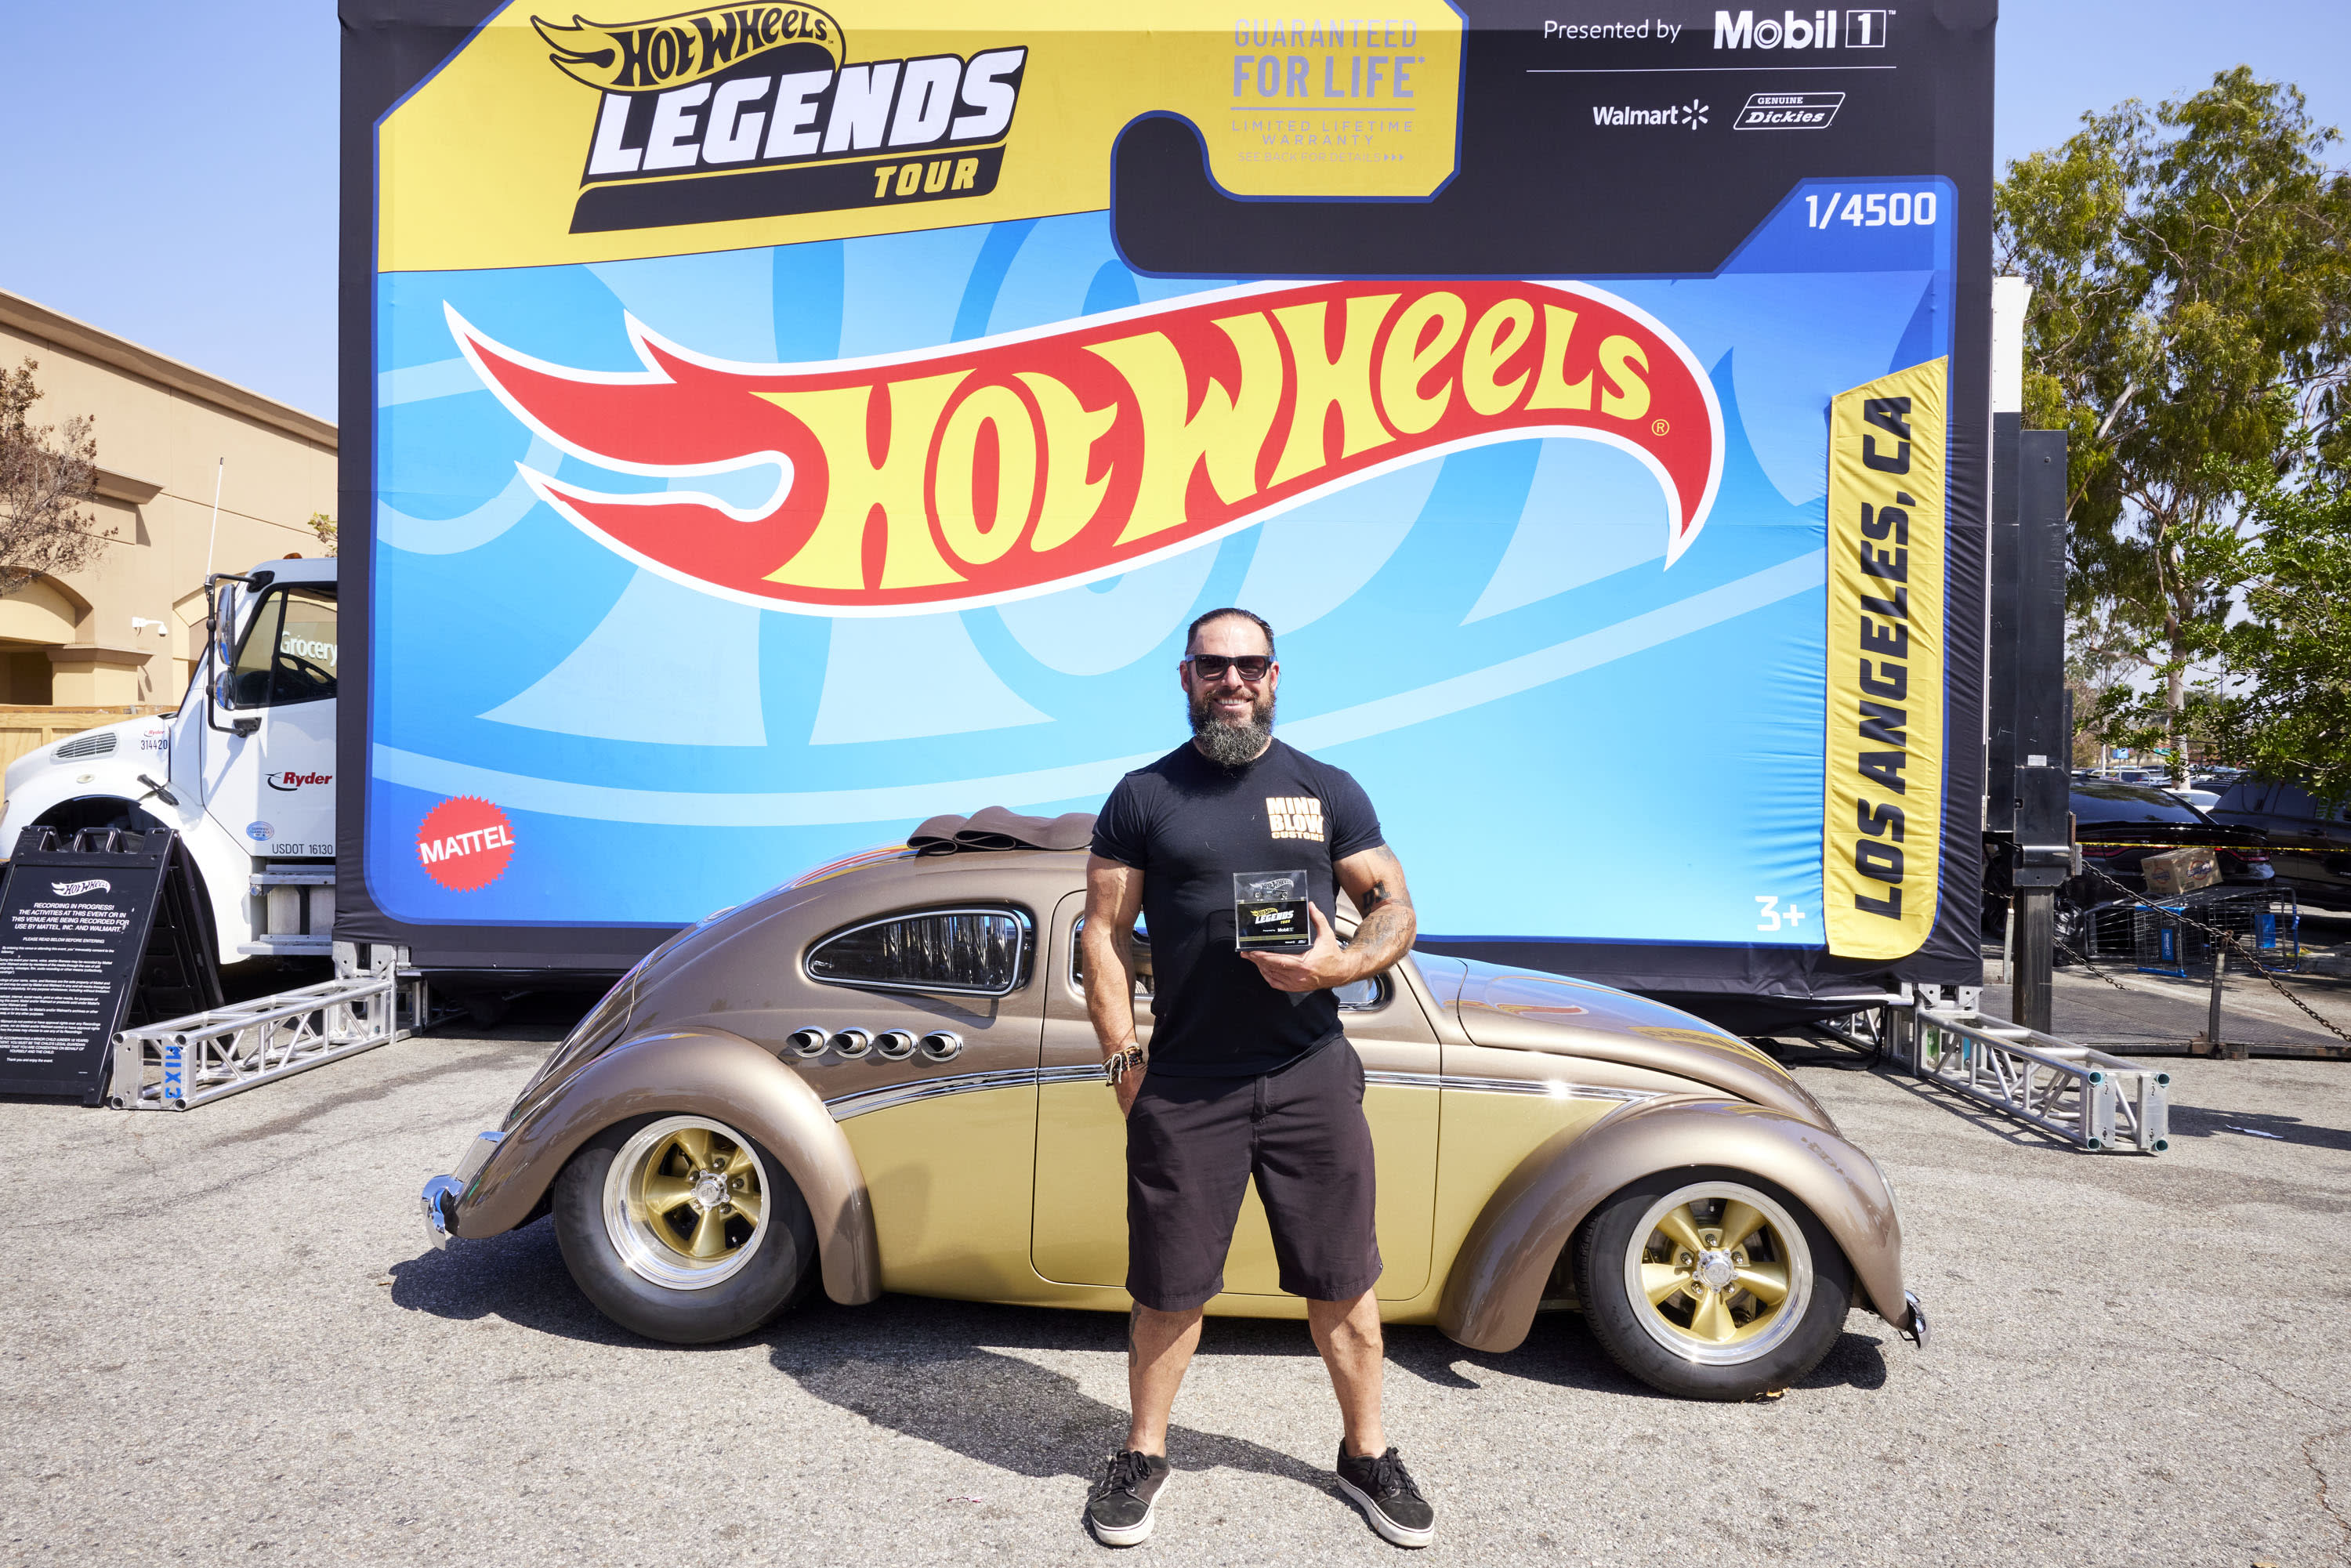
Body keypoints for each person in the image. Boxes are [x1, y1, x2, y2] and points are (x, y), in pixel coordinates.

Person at [1078, 607, 1434, 1549]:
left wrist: (1340, 966)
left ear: (1275, 676)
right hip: (1188, 1083)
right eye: (1213, 666)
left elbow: (1394, 905)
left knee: (1344, 1281)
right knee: (1169, 1290)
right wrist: (1122, 1059)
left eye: (1250, 666)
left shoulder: (1327, 790)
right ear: (1186, 677)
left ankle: (1366, 1454)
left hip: (1309, 1073)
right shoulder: (1143, 796)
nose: (1232, 681)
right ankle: (1143, 1452)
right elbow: (1103, 933)